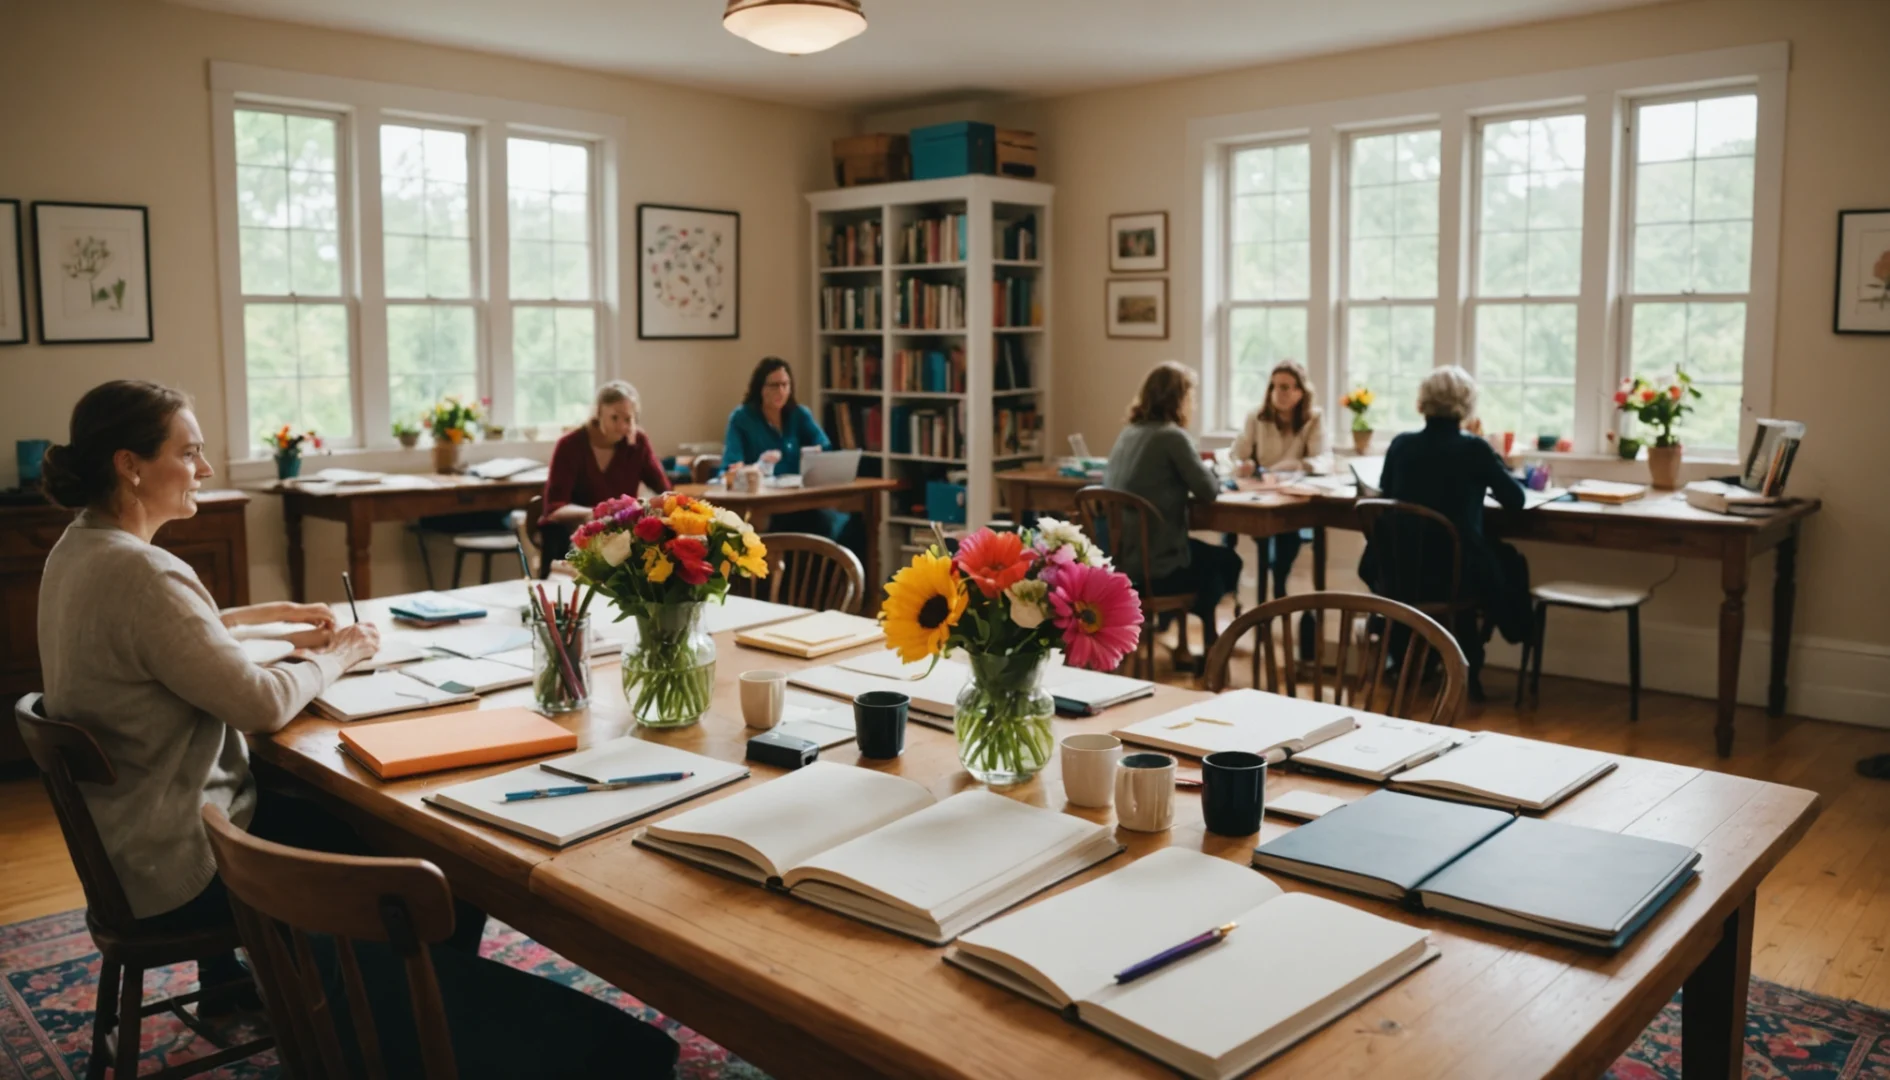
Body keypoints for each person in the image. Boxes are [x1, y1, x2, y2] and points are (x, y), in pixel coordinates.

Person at [35, 380, 396, 1005]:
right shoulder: (143, 572)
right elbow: (259, 703)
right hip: (179, 861)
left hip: (125, 844)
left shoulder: (80, 546)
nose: (203, 468)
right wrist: (341, 652)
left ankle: (239, 980)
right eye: (189, 452)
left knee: (297, 798)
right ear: (131, 466)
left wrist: (258, 616)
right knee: (385, 845)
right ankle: (372, 1022)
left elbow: (147, 641)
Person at [1358, 365, 1530, 701]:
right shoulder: (1474, 449)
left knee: (1492, 559)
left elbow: (1387, 493)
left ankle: (1412, 655)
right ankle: (1503, 638)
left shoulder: (1402, 445)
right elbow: (1516, 500)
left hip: (1402, 571)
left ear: (1422, 403)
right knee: (1509, 563)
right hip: (1455, 573)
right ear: (1466, 406)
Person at [1103, 362, 1242, 661]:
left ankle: (1180, 642)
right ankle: (1210, 650)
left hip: (1121, 561)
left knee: (1206, 559)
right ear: (1178, 399)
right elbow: (1208, 489)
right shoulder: (1171, 437)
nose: (1192, 404)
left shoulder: (1129, 433)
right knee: (1226, 562)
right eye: (1190, 397)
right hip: (1156, 567)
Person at [720, 357, 855, 547]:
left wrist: (814, 451)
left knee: (849, 522)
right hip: (765, 504)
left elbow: (825, 446)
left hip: (800, 498)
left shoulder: (798, 414)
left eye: (785, 384)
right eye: (774, 385)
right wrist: (756, 467)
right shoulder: (742, 418)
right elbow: (731, 467)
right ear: (760, 388)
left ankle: (838, 575)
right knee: (819, 524)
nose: (781, 391)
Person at [539, 380, 670, 576]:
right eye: (614, 418)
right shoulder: (570, 445)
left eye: (628, 419)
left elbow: (664, 490)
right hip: (572, 533)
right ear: (598, 414)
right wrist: (593, 514)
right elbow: (555, 508)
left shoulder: (637, 443)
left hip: (619, 535)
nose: (621, 426)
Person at [1227, 360, 1331, 601]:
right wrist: (1243, 463)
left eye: (1285, 387)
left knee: (1288, 533)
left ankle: (1279, 583)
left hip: (1293, 494)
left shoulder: (1313, 417)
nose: (1278, 393)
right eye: (1274, 387)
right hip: (1261, 491)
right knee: (1231, 525)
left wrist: (1298, 465)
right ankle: (1231, 588)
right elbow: (1236, 453)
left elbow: (1324, 458)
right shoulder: (1256, 415)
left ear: (1300, 391)